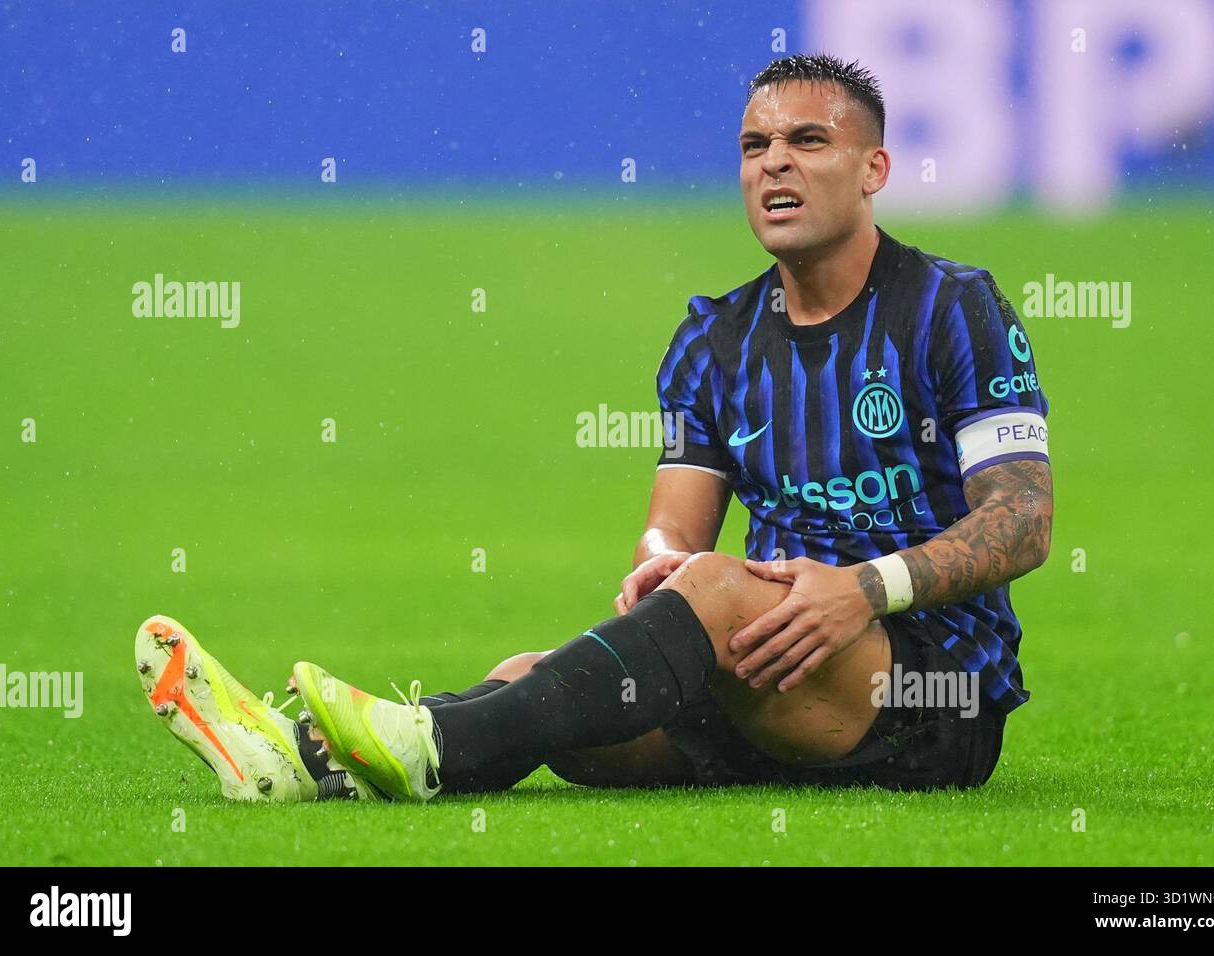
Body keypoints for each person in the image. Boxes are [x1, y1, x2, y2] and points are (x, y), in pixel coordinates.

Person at [136, 53, 1052, 803]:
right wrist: (660, 560)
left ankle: (416, 740)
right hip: (770, 675)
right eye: (754, 145)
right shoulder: (716, 338)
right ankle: (299, 765)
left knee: (697, 605)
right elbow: (676, 529)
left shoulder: (950, 310)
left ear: (874, 169)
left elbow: (1024, 520)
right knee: (535, 685)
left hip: (930, 692)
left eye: (808, 141)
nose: (774, 162)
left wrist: (863, 589)